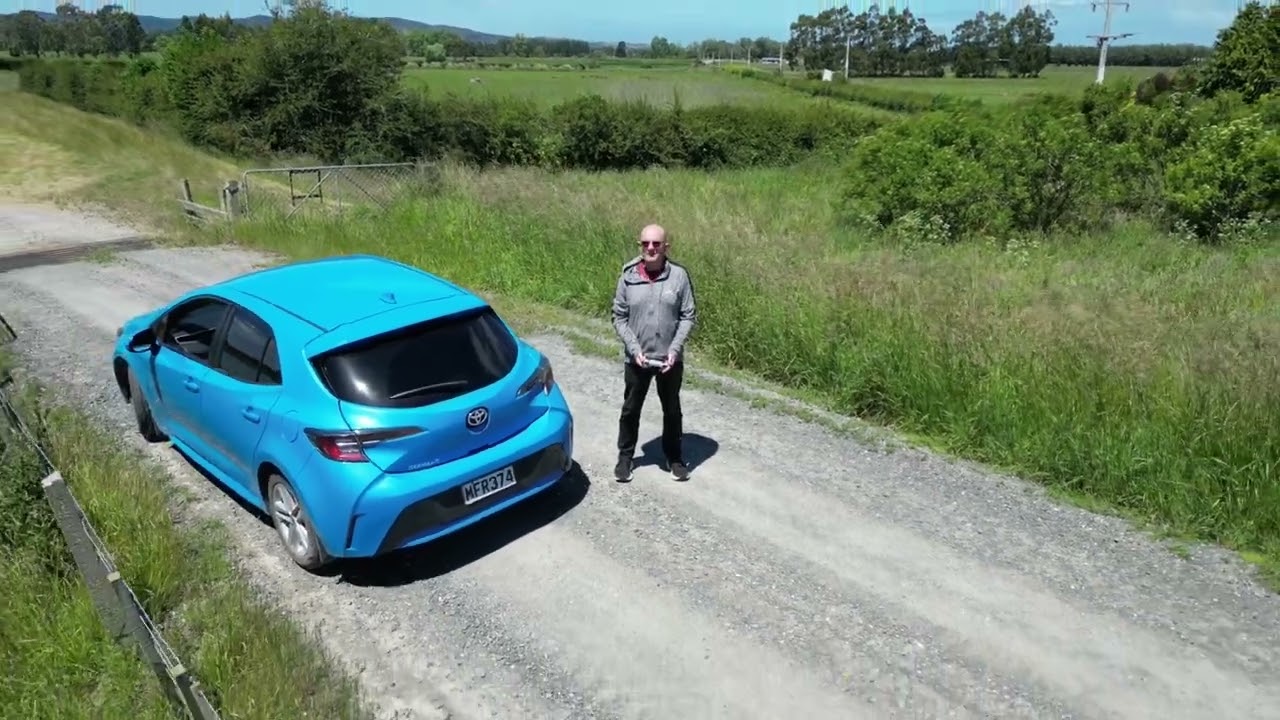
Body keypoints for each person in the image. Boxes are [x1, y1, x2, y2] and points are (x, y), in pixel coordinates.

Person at [611, 223, 697, 482]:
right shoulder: (628, 275)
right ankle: (625, 458)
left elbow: (688, 315)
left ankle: (674, 458)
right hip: (637, 359)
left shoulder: (679, 276)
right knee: (630, 410)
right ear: (640, 246)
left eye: (656, 244)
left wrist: (674, 350)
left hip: (669, 360)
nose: (650, 248)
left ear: (666, 247)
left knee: (672, 410)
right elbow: (619, 317)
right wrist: (634, 349)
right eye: (646, 243)